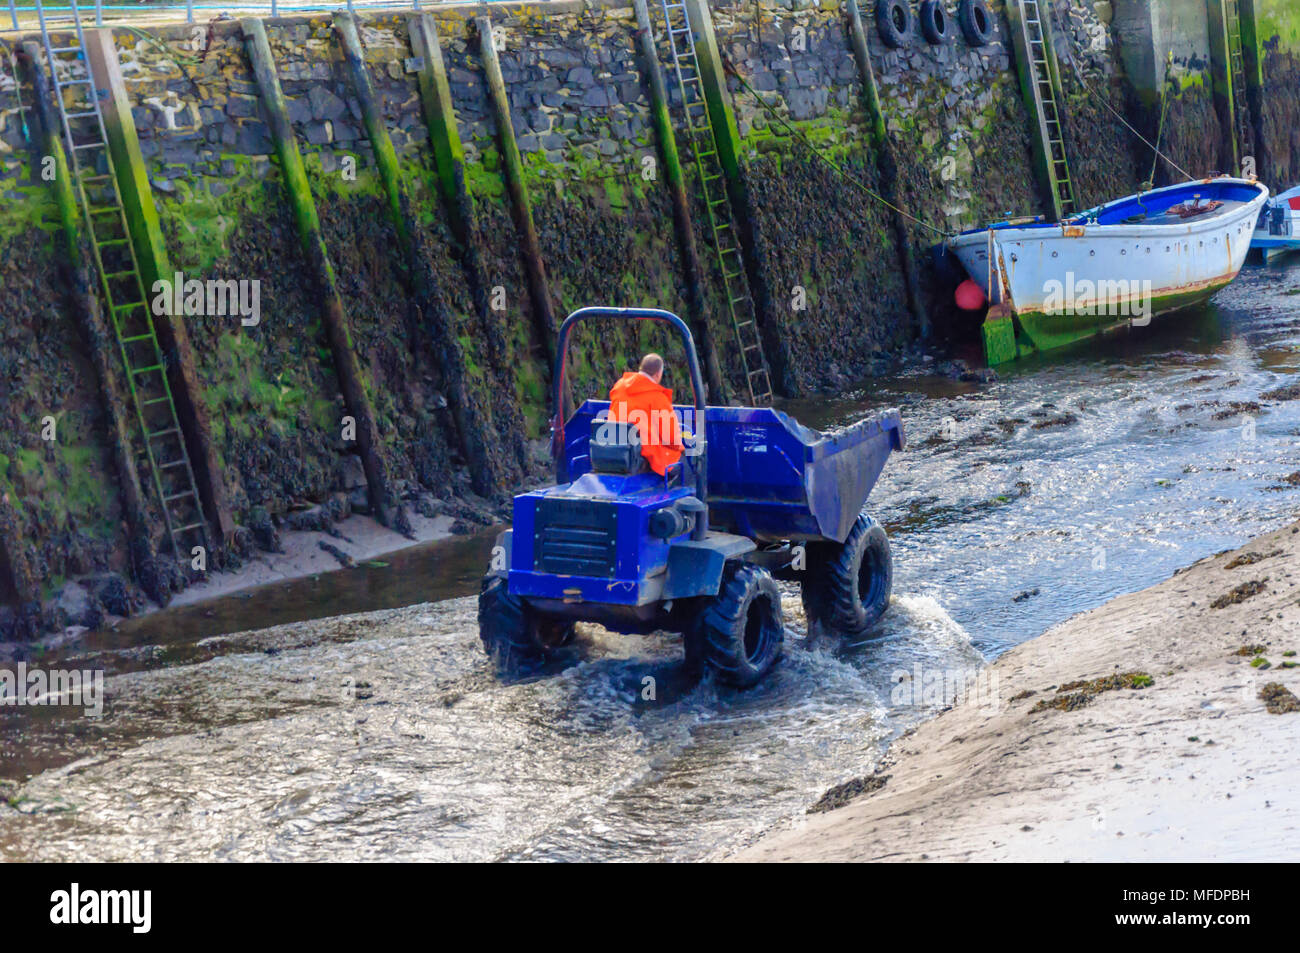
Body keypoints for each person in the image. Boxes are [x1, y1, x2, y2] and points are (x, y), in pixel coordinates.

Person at [608, 353, 684, 475]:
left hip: (614, 449)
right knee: (686, 466)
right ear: (658, 374)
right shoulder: (658, 398)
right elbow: (671, 439)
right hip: (643, 455)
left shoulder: (619, 386)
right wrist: (681, 447)